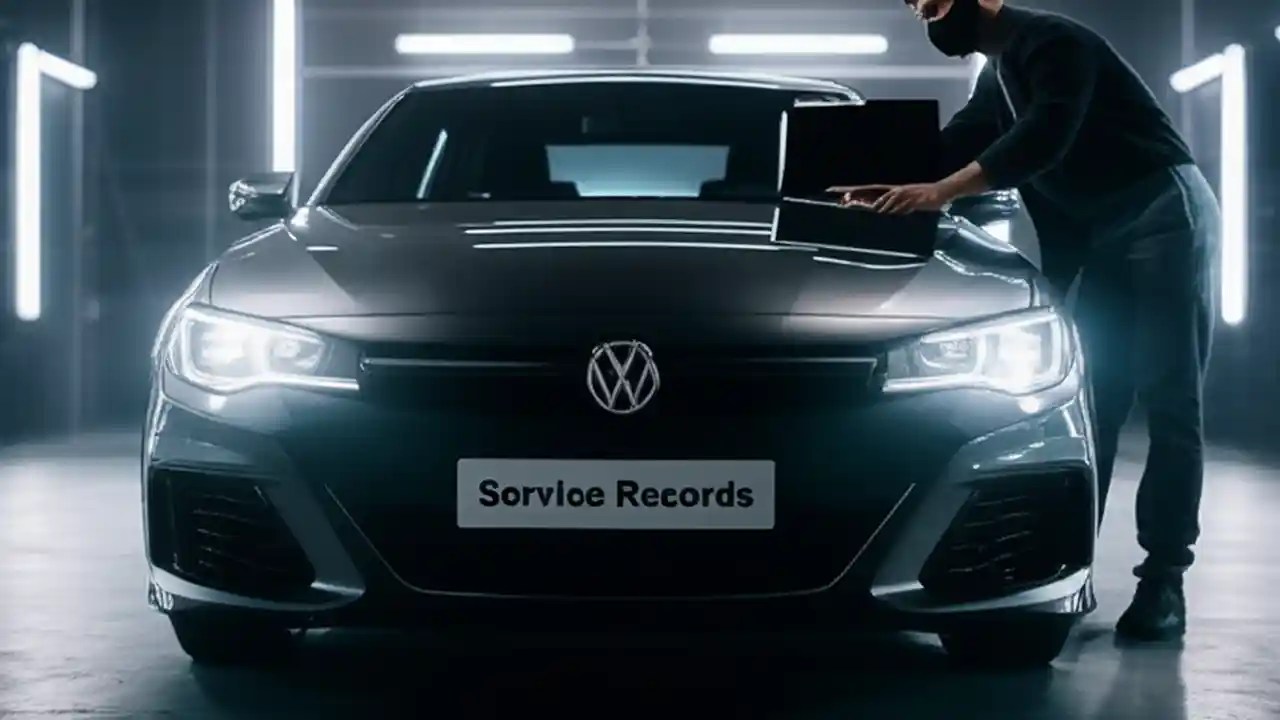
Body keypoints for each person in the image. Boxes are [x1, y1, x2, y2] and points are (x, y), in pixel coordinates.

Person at [832, 0, 1220, 642]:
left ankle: (1164, 581)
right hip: (1100, 234)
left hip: (1163, 217)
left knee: (1171, 403)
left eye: (931, 3)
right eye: (914, 8)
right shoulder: (997, 75)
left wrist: (940, 193)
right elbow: (950, 147)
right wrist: (865, 178)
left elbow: (1044, 138)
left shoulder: (1053, 42)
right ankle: (1066, 573)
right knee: (1098, 403)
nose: (925, 17)